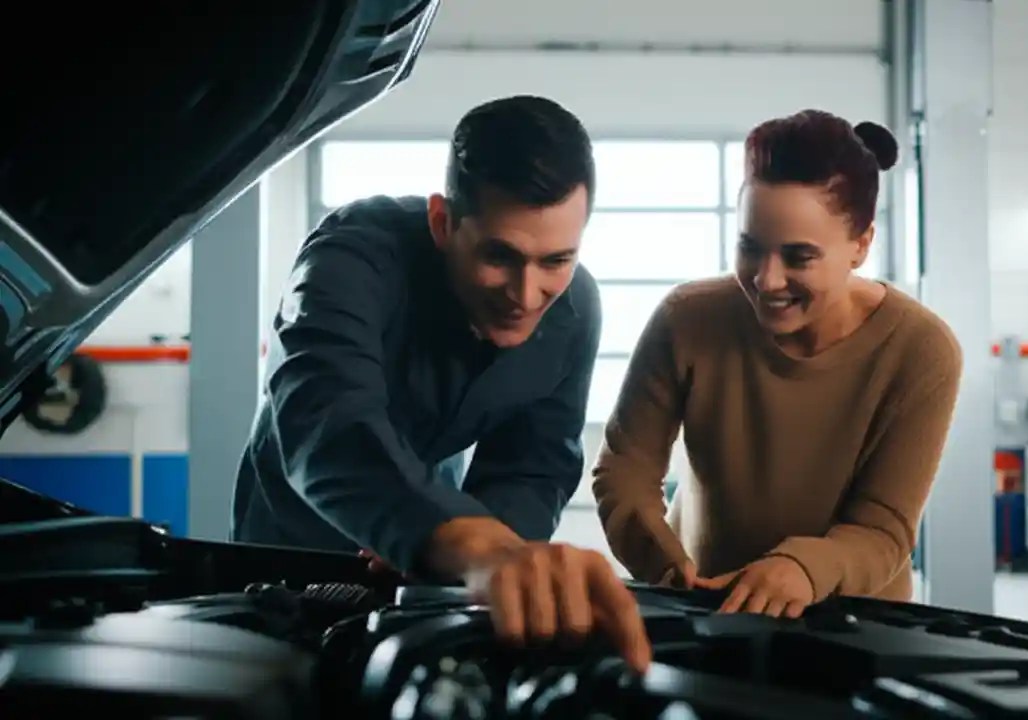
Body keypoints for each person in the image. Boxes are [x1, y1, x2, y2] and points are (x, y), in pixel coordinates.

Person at [231, 95, 649, 671]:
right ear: (442, 222)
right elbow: (325, 415)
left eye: (556, 260)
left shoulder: (576, 307)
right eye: (500, 256)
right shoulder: (351, 253)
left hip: (438, 544)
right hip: (292, 539)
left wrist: (485, 555)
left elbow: (534, 465)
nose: (527, 297)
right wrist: (458, 537)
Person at [591, 109, 962, 617]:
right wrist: (668, 568)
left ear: (861, 244)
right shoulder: (687, 319)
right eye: (749, 247)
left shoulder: (921, 350)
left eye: (799, 257)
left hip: (853, 626)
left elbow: (883, 529)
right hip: (702, 610)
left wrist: (801, 569)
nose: (766, 280)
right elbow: (625, 470)